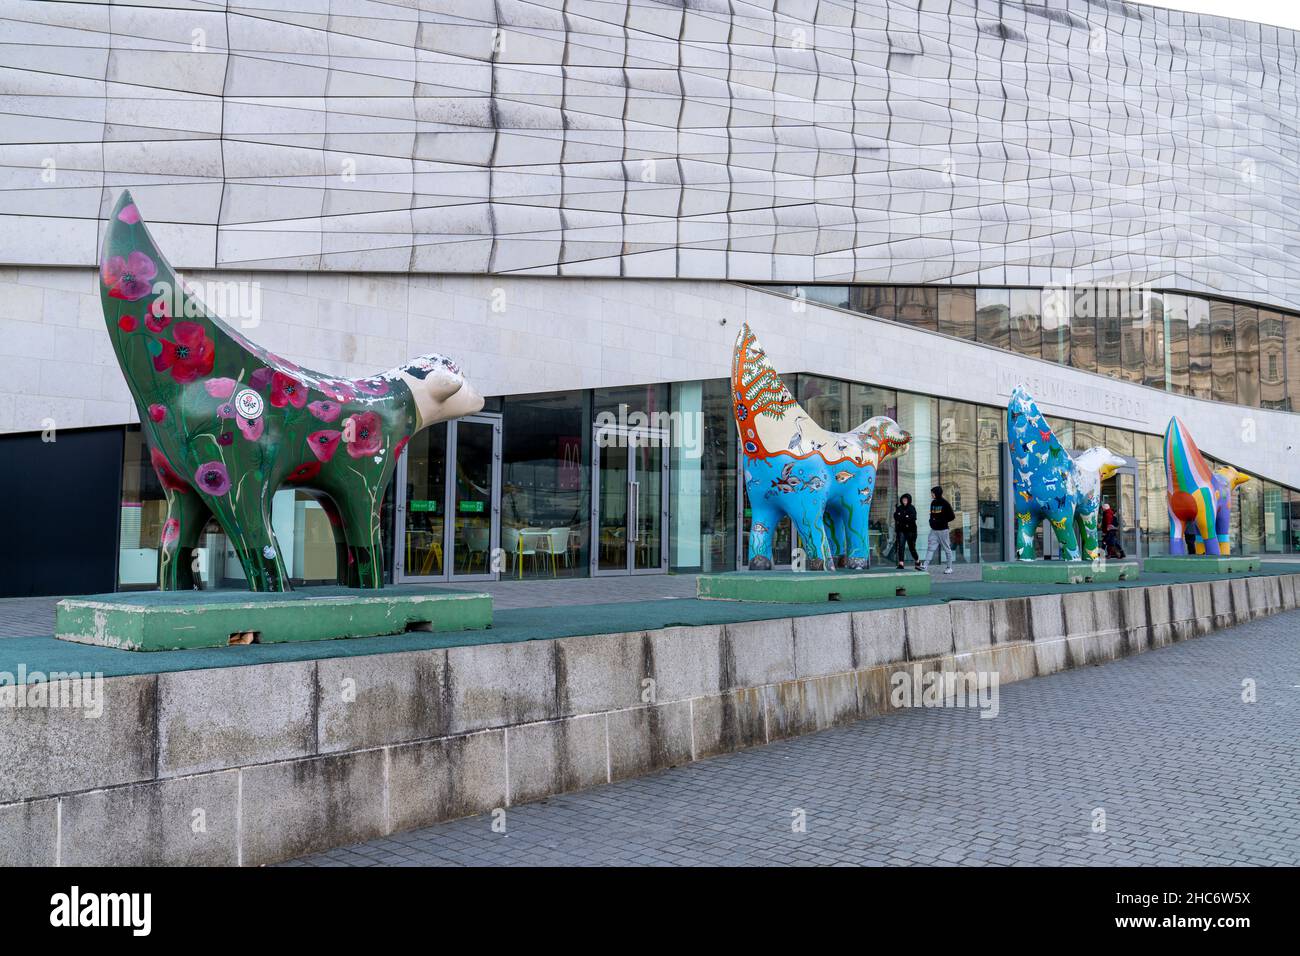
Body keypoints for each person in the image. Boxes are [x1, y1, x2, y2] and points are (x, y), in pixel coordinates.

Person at [923, 485, 956, 573]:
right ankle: (925, 566)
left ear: (937, 493)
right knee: (930, 548)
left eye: (933, 493)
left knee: (946, 548)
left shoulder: (945, 503)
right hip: (933, 530)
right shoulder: (933, 503)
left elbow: (952, 516)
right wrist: (931, 521)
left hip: (943, 530)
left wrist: (942, 521)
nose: (932, 495)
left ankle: (949, 568)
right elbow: (932, 514)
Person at [892, 493, 920, 570]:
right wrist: (905, 517)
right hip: (901, 530)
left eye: (906, 500)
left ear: (909, 500)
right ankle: (901, 563)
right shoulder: (899, 508)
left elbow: (912, 518)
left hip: (911, 531)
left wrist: (902, 517)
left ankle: (917, 561)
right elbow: (896, 517)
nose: (904, 501)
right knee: (901, 547)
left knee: (912, 547)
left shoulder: (911, 508)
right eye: (903, 499)